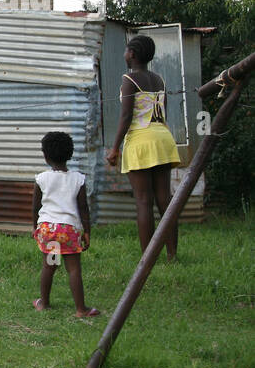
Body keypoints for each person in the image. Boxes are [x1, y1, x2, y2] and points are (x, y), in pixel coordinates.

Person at [105, 34, 181, 261]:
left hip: (141, 141)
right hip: (163, 138)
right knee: (164, 199)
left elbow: (127, 115)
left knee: (143, 201)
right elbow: (161, 111)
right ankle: (172, 253)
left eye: (126, 50)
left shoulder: (129, 79)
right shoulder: (160, 80)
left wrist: (115, 147)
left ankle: (148, 258)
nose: (124, 54)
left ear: (133, 54)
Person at [33, 131, 99, 317]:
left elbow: (36, 207)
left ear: (45, 156)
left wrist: (34, 228)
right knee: (73, 269)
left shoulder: (42, 179)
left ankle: (43, 303)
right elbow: (84, 209)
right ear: (70, 154)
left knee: (49, 265)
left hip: (49, 231)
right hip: (68, 231)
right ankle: (81, 309)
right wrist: (87, 232)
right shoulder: (78, 179)